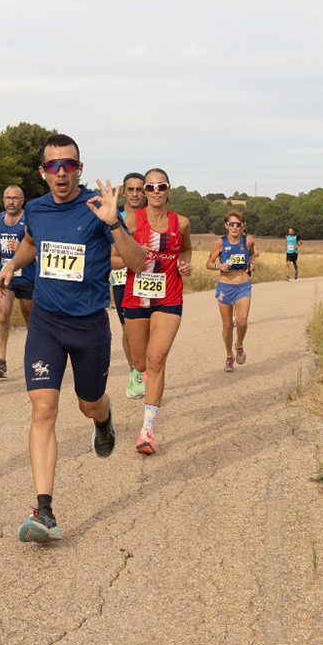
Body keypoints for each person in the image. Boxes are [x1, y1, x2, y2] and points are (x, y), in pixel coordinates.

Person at [0, 134, 146, 543]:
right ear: (42, 172)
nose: (61, 173)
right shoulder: (37, 210)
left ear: (79, 168)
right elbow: (30, 242)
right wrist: (10, 266)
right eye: (53, 166)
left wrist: (114, 222)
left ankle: (104, 417)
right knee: (43, 409)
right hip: (46, 322)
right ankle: (44, 510)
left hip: (89, 325)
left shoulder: (99, 208)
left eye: (69, 165)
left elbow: (138, 263)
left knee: (87, 403)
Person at [119, 168, 191, 455]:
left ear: (169, 189)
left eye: (161, 186)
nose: (155, 191)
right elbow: (113, 257)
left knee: (156, 359)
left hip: (169, 297)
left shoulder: (181, 223)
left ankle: (147, 430)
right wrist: (134, 254)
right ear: (145, 192)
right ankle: (141, 377)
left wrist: (185, 264)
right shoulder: (132, 221)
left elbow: (185, 251)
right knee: (140, 363)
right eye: (150, 187)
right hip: (136, 298)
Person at [0, 185, 34, 377]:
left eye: (15, 198)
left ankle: (34, 357)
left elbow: (37, 246)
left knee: (29, 317)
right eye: (7, 198)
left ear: (22, 200)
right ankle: (0, 361)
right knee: (2, 316)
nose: (11, 202)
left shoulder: (28, 220)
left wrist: (22, 247)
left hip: (28, 274)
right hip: (5, 274)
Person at [206, 211, 259, 372]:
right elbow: (208, 263)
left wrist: (252, 263)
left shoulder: (248, 240)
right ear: (226, 226)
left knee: (241, 321)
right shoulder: (219, 243)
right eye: (231, 224)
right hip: (225, 286)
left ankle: (239, 345)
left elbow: (252, 255)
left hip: (243, 284)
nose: (234, 227)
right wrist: (218, 266)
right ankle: (229, 356)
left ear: (242, 226)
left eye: (238, 224)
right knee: (228, 326)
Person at [110, 173, 147, 399]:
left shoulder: (152, 216)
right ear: (124, 192)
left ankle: (148, 369)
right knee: (127, 331)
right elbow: (109, 257)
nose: (135, 194)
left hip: (149, 283)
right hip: (122, 281)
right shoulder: (114, 216)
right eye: (130, 189)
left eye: (139, 189)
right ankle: (134, 371)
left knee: (150, 331)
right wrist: (134, 259)